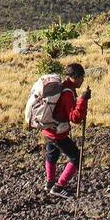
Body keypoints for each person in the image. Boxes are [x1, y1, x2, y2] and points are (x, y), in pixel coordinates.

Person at [41, 63, 89, 198]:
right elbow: (75, 117)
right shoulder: (67, 92)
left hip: (48, 128)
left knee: (52, 155)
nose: (82, 80)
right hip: (58, 133)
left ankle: (49, 183)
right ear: (75, 77)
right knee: (76, 157)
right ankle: (58, 186)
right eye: (81, 77)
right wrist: (83, 100)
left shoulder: (62, 87)